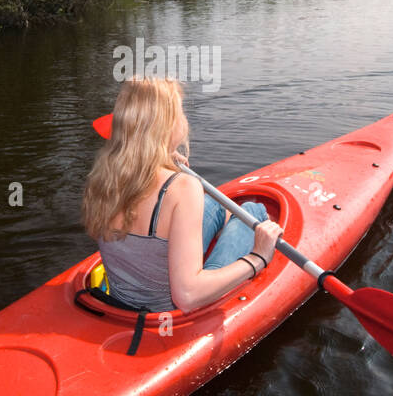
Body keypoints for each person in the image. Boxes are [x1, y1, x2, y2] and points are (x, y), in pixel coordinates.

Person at [82, 78, 283, 314]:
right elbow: (187, 296)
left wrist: (163, 157)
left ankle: (221, 231)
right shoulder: (183, 188)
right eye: (180, 111)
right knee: (252, 211)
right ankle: (238, 237)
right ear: (168, 125)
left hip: (120, 301)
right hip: (170, 312)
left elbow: (140, 167)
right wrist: (258, 257)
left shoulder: (103, 175)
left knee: (214, 205)